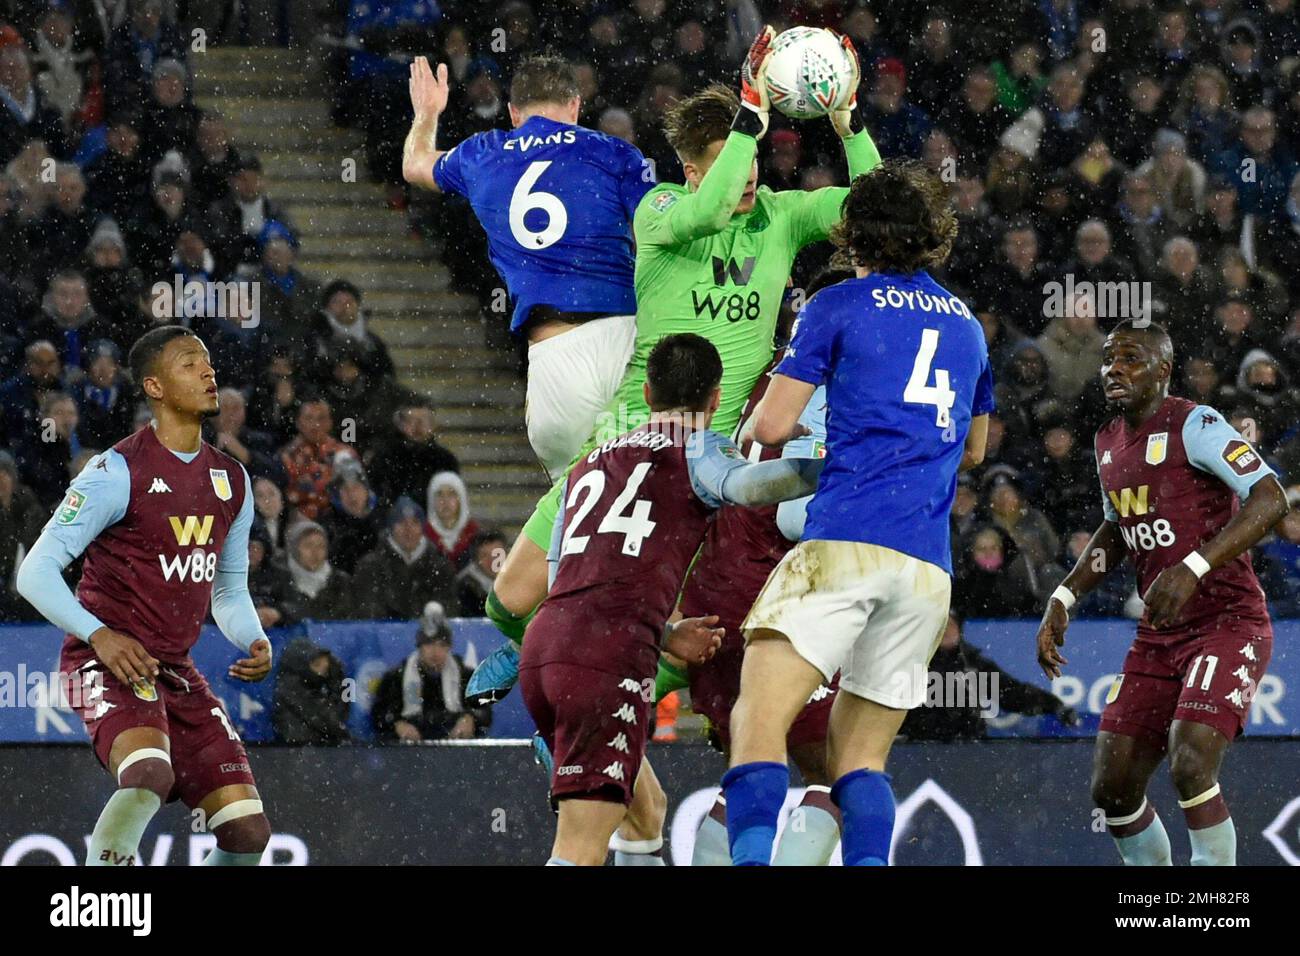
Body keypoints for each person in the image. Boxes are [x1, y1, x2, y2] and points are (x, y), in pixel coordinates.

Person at [472, 28, 881, 708]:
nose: (749, 174)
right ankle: (534, 646)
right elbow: (713, 205)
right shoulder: (660, 209)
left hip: (704, 463)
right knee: (505, 602)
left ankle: (604, 701)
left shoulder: (780, 217)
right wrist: (752, 116)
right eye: (732, 159)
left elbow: (873, 211)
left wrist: (849, 122)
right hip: (618, 440)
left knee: (688, 637)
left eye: (752, 160)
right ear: (693, 170)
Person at [722, 160, 993, 867]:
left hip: (844, 542)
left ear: (852, 232)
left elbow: (773, 426)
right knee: (858, 764)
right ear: (933, 236)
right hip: (926, 567)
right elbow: (975, 451)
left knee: (756, 720)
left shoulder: (836, 306)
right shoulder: (969, 328)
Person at [519, 332, 826, 866]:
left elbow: (562, 577)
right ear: (714, 400)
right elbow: (750, 488)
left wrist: (663, 633)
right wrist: (834, 469)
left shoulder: (589, 463)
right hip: (606, 659)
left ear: (645, 390)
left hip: (545, 646)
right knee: (579, 849)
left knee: (645, 813)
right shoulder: (697, 447)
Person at [15, 325, 273, 866]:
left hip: (175, 671)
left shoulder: (233, 481)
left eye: (208, 362)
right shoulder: (114, 471)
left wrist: (252, 637)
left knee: (249, 835)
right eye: (188, 364)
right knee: (150, 774)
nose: (208, 373)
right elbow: (34, 573)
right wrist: (99, 635)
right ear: (154, 387)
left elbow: (226, 589)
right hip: (101, 661)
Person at [1036, 320, 1289, 866]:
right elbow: (1116, 530)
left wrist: (1194, 566)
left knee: (1191, 763)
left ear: (1164, 369)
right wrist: (1064, 597)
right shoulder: (1107, 441)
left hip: (1228, 621)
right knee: (1113, 787)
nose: (1113, 369)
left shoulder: (1196, 423)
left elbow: (1270, 498)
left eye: (1129, 358)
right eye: (1108, 359)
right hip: (1159, 634)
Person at [402, 52, 655, 480]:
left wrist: (427, 113)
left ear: (514, 113)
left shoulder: (483, 152)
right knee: (651, 504)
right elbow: (656, 234)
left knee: (573, 514)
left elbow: (414, 164)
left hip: (553, 354)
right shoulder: (615, 153)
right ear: (575, 106)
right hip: (626, 340)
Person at [372, 603, 489, 743]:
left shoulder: (466, 676)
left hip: (456, 748)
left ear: (449, 648)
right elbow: (379, 715)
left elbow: (485, 712)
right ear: (420, 647)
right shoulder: (397, 677)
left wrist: (470, 719)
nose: (435, 651)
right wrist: (398, 725)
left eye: (441, 645)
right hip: (409, 751)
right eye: (429, 644)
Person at [351, 496, 456, 619]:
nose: (408, 529)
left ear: (422, 528)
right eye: (401, 522)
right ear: (391, 528)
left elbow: (449, 610)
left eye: (415, 523)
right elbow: (369, 612)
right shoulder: (370, 567)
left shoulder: (441, 568)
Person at [271, 637, 350, 746]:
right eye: (317, 664)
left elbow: (345, 704)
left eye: (325, 662)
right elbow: (329, 721)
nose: (323, 668)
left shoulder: (316, 684)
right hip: (301, 749)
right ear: (302, 666)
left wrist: (340, 677)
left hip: (317, 748)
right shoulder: (291, 688)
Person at [282, 520, 354, 621]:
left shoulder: (340, 581)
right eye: (308, 545)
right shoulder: (281, 579)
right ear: (294, 548)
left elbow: (344, 617)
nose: (315, 552)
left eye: (321, 546)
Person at [425, 470, 478, 568]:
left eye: (452, 494)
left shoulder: (476, 536)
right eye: (439, 494)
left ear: (461, 499)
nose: (445, 501)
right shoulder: (422, 537)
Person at [454, 529, 507, 617]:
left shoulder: (524, 580)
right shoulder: (464, 589)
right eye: (484, 555)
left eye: (497, 554)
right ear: (476, 560)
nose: (492, 561)